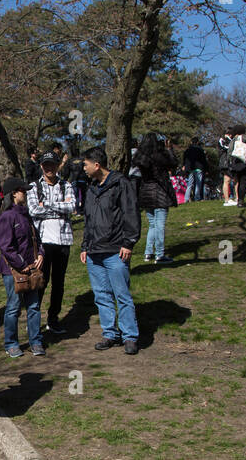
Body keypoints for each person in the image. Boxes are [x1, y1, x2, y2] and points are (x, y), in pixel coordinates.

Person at [80, 145, 140, 355]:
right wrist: (85, 245)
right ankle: (109, 333)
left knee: (121, 294)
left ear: (97, 165)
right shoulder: (91, 189)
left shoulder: (120, 184)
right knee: (102, 295)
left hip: (115, 250)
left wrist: (128, 242)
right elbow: (88, 220)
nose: (83, 168)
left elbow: (130, 212)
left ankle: (129, 336)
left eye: (86, 164)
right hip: (94, 252)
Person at [27, 149, 76, 334]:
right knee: (41, 281)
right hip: (43, 242)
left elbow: (71, 207)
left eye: (52, 165)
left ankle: (53, 318)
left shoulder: (66, 185)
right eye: (46, 165)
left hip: (63, 241)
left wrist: (47, 205)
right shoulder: (33, 187)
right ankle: (34, 319)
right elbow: (33, 210)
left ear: (57, 166)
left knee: (59, 282)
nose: (49, 168)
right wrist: (59, 208)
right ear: (41, 166)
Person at [0, 177, 45, 357]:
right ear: (14, 193)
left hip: (32, 268)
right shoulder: (6, 217)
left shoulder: (26, 214)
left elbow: (36, 238)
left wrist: (41, 253)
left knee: (34, 306)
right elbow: (6, 246)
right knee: (14, 307)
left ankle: (36, 341)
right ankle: (11, 343)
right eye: (23, 190)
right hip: (12, 271)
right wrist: (21, 264)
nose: (26, 193)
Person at [135, 135, 178, 263]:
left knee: (152, 224)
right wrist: (169, 149)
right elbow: (173, 163)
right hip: (160, 192)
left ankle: (148, 252)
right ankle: (159, 254)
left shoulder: (140, 158)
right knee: (159, 225)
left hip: (146, 192)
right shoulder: (159, 157)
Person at [182, 139, 206, 203]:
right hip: (199, 167)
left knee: (190, 184)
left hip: (190, 168)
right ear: (197, 142)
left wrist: (184, 165)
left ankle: (186, 198)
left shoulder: (187, 150)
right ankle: (197, 197)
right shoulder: (200, 150)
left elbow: (184, 159)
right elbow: (203, 160)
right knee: (198, 183)